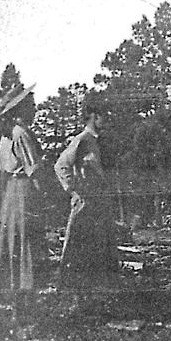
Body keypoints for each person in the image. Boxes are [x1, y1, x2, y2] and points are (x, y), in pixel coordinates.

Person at [55, 105, 119, 293]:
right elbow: (61, 165)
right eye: (104, 115)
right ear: (94, 116)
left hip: (99, 201)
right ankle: (71, 290)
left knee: (100, 244)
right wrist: (73, 190)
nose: (107, 119)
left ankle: (97, 289)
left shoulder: (98, 141)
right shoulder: (82, 140)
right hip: (85, 202)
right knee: (78, 244)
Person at [0, 84, 43, 294]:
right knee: (25, 236)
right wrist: (44, 196)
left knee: (12, 236)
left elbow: (2, 169)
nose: (35, 110)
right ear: (22, 109)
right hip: (23, 189)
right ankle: (25, 288)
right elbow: (34, 171)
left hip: (11, 190)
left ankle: (10, 286)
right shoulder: (21, 134)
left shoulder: (8, 134)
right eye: (32, 106)